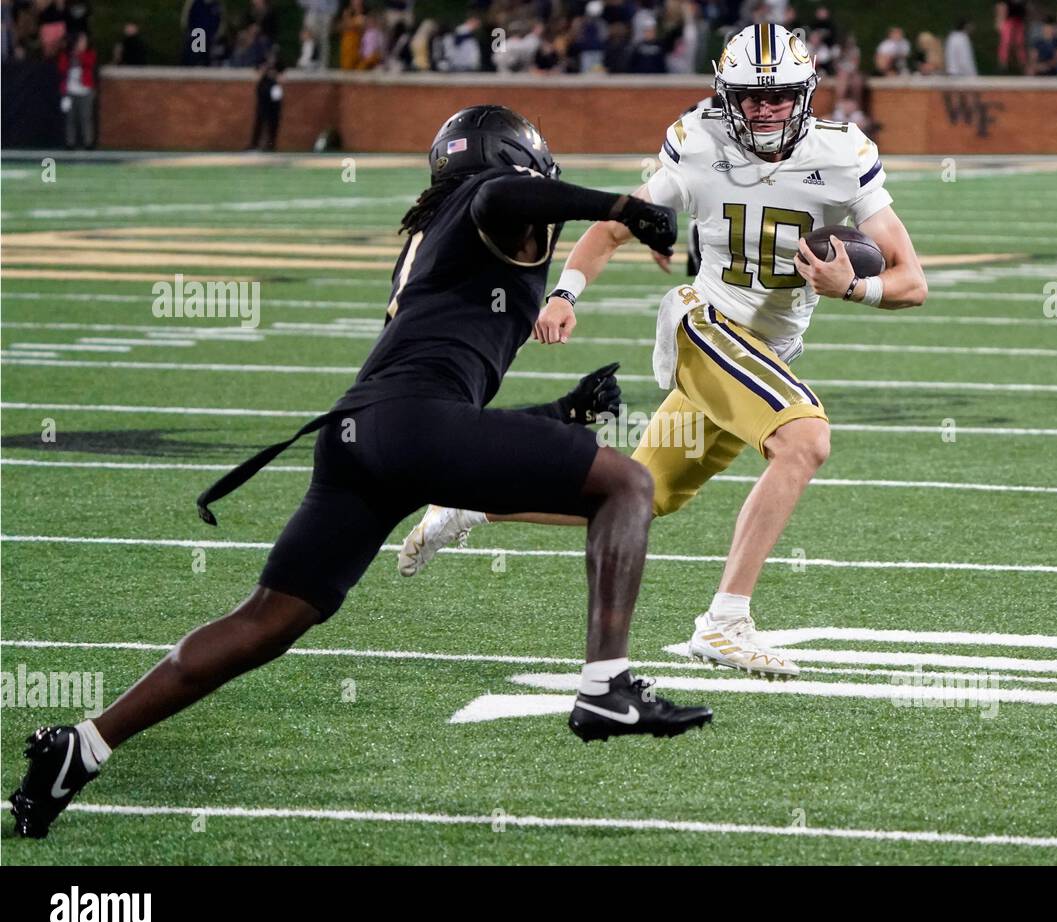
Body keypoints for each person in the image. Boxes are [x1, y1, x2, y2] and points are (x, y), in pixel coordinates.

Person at [9, 105, 710, 841]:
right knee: (629, 484)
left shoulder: (438, 230)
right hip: (410, 424)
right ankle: (605, 690)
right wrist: (620, 206)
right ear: (514, 158)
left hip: (363, 434)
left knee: (268, 619)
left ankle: (83, 744)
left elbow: (440, 390)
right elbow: (502, 200)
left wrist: (553, 416)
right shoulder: (493, 202)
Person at [399, 24, 927, 680]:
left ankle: (469, 500)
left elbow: (912, 280)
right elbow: (616, 223)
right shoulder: (699, 144)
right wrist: (565, 294)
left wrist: (854, 286)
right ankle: (726, 621)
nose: (764, 111)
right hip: (701, 326)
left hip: (764, 353)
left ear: (807, 94)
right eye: (750, 98)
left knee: (637, 493)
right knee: (805, 439)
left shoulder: (844, 155)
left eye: (779, 97)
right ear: (724, 95)